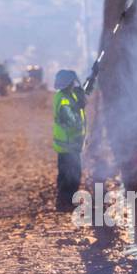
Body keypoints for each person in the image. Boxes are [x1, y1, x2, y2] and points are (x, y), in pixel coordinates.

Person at [51, 69, 90, 211]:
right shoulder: (64, 99)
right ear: (68, 84)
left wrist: (90, 81)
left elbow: (84, 93)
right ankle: (64, 203)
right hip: (68, 146)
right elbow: (72, 121)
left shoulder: (68, 95)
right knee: (70, 175)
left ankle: (65, 201)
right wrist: (80, 104)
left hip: (70, 145)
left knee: (68, 174)